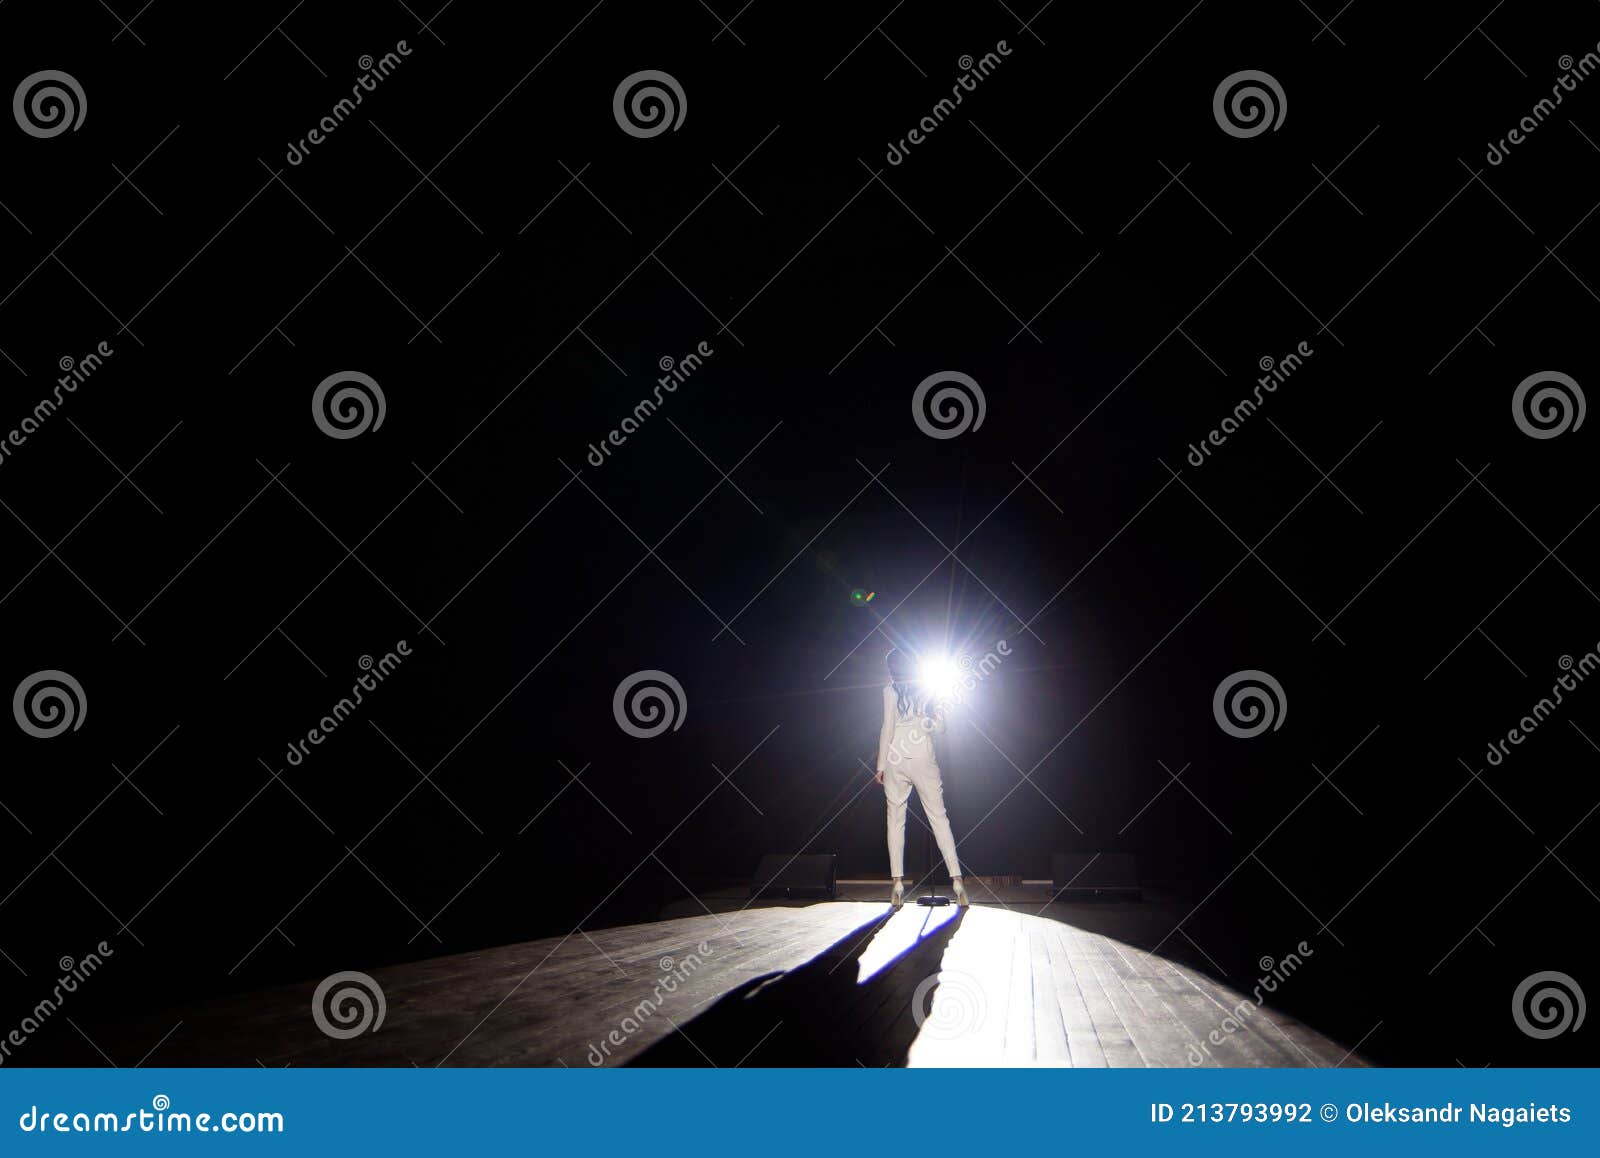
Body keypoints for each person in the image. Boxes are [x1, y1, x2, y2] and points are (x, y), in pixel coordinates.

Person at [874, 648, 968, 909]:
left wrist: (880, 765)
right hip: (923, 756)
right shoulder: (929, 690)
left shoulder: (889, 691)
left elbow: (887, 728)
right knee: (939, 818)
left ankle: (897, 883)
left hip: (896, 758)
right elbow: (942, 727)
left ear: (892, 668)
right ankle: (957, 880)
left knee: (895, 820)